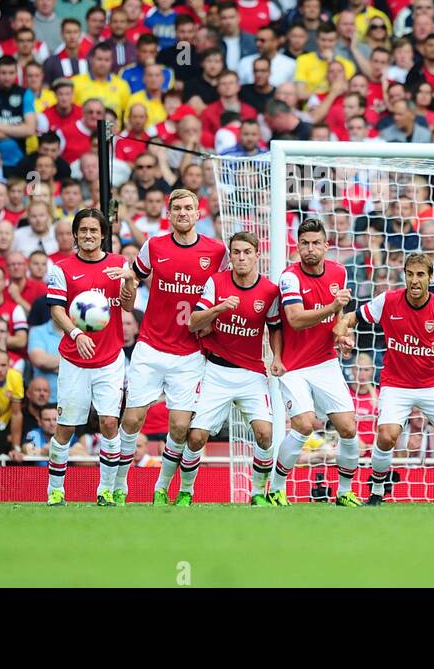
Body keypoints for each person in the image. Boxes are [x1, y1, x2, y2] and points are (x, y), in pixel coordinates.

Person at [335, 253, 434, 507]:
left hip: (432, 384)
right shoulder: (388, 301)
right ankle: (377, 492)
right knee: (387, 436)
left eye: (420, 275)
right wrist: (343, 331)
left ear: (430, 277)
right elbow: (351, 317)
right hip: (396, 384)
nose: (414, 281)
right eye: (410, 274)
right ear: (404, 275)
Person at [119, 188, 228, 505]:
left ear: (198, 213)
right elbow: (134, 281)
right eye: (177, 208)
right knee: (131, 420)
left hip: (190, 353)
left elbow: (225, 290)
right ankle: (118, 486)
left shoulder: (217, 252)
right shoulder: (153, 246)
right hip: (151, 346)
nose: (182, 213)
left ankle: (161, 488)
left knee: (180, 427)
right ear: (169, 214)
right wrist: (127, 286)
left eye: (188, 208)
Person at [179, 232, 282, 506]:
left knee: (265, 434)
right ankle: (186, 491)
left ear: (257, 255)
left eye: (247, 252)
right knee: (197, 436)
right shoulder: (216, 282)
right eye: (236, 252)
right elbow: (193, 322)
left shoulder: (270, 291)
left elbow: (275, 328)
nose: (241, 257)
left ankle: (258, 492)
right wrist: (220, 308)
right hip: (216, 370)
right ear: (231, 256)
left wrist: (277, 357)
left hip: (251, 374)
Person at [44, 208, 136, 506]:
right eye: (82, 230)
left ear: (103, 234)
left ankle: (106, 490)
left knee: (110, 423)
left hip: (110, 359)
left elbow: (126, 305)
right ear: (75, 234)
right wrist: (77, 334)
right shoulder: (62, 268)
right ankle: (55, 489)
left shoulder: (118, 264)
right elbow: (57, 310)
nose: (88, 235)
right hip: (74, 359)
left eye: (94, 230)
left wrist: (130, 281)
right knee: (66, 427)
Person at [270, 219, 361, 506]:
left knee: (348, 427)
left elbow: (339, 314)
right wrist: (333, 307)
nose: (310, 249)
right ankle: (276, 487)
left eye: (315, 243)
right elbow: (295, 320)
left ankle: (344, 491)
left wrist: (342, 333)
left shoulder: (339, 271)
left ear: (326, 246)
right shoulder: (289, 277)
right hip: (293, 364)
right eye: (305, 244)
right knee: (304, 424)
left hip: (325, 362)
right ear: (298, 246)